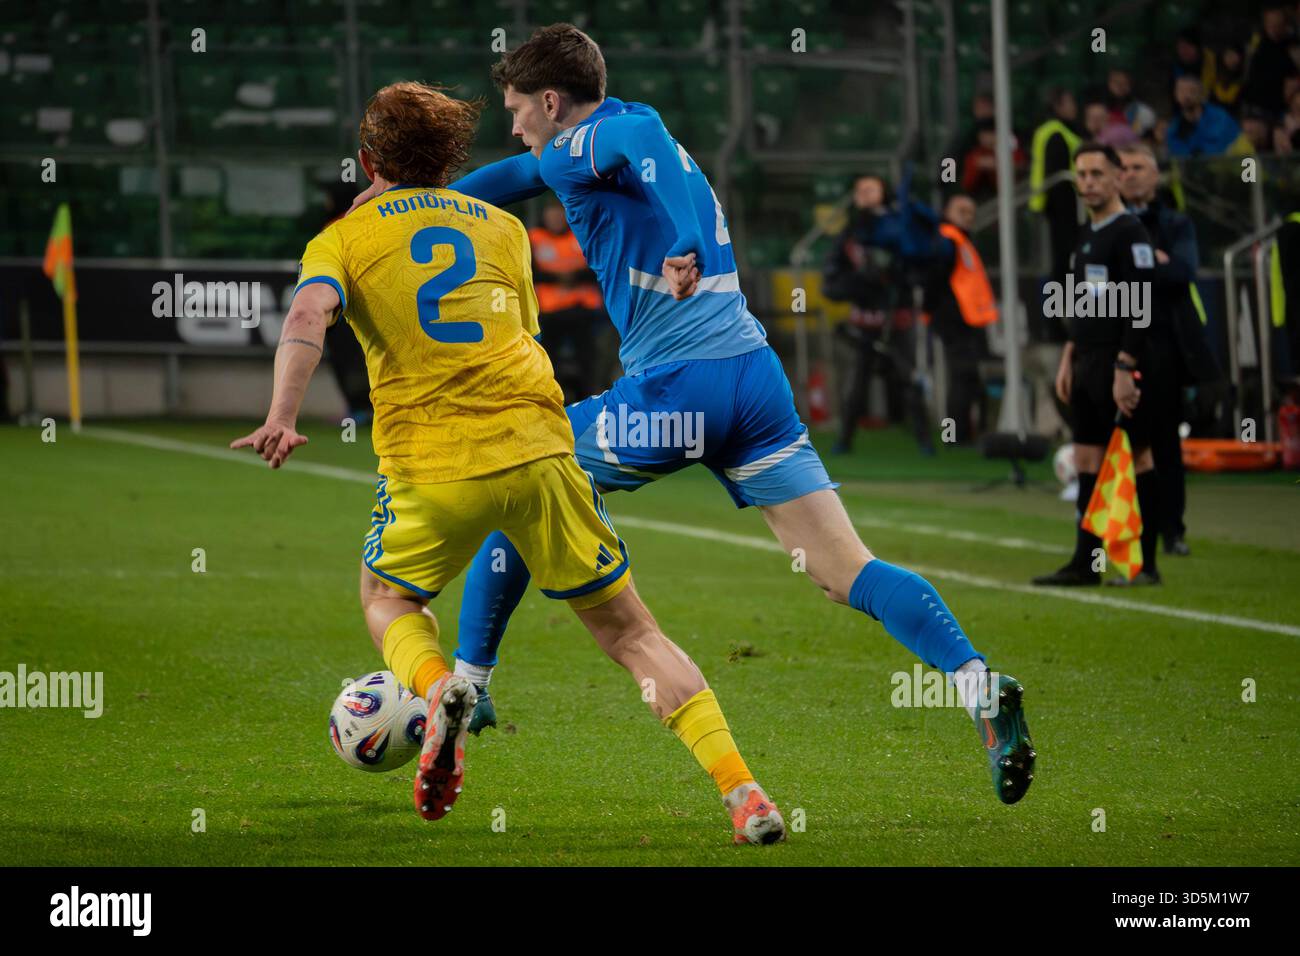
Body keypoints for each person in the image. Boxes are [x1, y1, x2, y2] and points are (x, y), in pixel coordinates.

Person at [352, 24, 1037, 804]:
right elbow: (507, 180)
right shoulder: (605, 140)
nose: (513, 123)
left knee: (523, 472)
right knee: (847, 572)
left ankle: (469, 681)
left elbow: (627, 158)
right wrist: (401, 209)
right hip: (752, 381)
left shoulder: (609, 134)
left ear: (551, 100)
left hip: (679, 389)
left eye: (516, 106)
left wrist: (681, 239)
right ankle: (977, 683)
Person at [232, 81, 786, 844]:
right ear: (452, 158)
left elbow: (305, 315)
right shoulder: (503, 229)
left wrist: (282, 416)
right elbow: (516, 333)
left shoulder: (342, 238)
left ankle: (438, 692)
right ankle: (743, 791)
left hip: (433, 468)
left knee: (386, 600)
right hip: (541, 451)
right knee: (631, 636)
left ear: (367, 161)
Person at [1034, 143, 1162, 588]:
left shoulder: (1131, 234)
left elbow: (1142, 307)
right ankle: (1086, 561)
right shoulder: (1085, 236)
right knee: (1087, 456)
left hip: (1120, 360)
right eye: (1081, 175)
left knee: (1137, 455)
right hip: (1087, 359)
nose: (1088, 182)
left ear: (1116, 178)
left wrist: (1125, 366)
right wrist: (1070, 354)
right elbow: (1081, 303)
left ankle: (1145, 563)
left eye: (1096, 174)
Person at [1119, 143, 1219, 557]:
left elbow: (1181, 273)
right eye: (1123, 167)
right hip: (1120, 346)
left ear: (1156, 175)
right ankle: (1128, 530)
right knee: (1125, 443)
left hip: (1163, 348)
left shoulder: (1176, 223)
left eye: (1139, 167)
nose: (1130, 174)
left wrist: (1144, 266)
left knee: (1165, 443)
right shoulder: (1107, 225)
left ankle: (1171, 531)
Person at [822, 173, 899, 452]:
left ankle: (929, 442)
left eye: (871, 189)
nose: (864, 195)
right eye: (859, 190)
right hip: (864, 317)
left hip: (898, 314)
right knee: (857, 380)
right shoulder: (852, 231)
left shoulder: (898, 224)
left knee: (908, 376)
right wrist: (857, 282)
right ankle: (844, 440)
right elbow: (832, 276)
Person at [926, 193, 996, 444]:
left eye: (971, 212)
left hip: (966, 319)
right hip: (953, 319)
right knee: (961, 375)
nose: (968, 217)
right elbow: (934, 281)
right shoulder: (947, 239)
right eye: (961, 211)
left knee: (967, 376)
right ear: (947, 212)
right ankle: (956, 437)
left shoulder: (960, 239)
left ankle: (966, 433)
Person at [529, 199, 605, 402]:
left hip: (581, 308)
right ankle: (551, 398)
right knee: (548, 360)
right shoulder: (534, 238)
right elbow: (528, 273)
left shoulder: (581, 237)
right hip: (549, 311)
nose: (555, 219)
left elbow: (599, 269)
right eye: (551, 214)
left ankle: (590, 398)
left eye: (559, 214)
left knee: (587, 358)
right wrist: (558, 278)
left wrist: (573, 277)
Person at [1029, 87, 1083, 340]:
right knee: (1062, 269)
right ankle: (1056, 325)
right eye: (1071, 101)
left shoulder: (1054, 131)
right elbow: (1059, 178)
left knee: (1062, 268)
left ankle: (1060, 323)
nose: (1075, 107)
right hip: (1064, 213)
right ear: (1059, 105)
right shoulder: (1057, 133)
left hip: (1058, 212)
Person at [1243, 4, 1299, 117]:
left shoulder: (1292, 45)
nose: (1273, 27)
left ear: (1284, 24)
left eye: (1278, 23)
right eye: (1270, 23)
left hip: (1279, 108)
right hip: (1254, 104)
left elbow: (1293, 78)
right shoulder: (1257, 41)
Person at [1167, 76, 1245, 157]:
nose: (1187, 96)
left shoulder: (1220, 118)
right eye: (1182, 91)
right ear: (1175, 95)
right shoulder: (1174, 129)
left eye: (1192, 91)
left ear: (1201, 94)